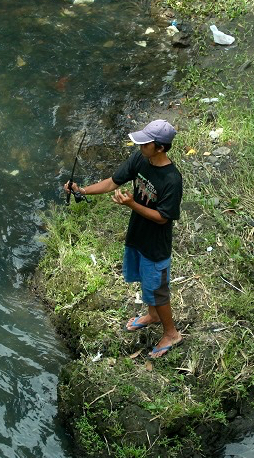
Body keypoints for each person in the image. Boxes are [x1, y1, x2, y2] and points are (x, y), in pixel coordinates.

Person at [65, 119, 184, 358]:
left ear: (160, 147)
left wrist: (131, 204)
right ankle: (151, 315)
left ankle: (171, 333)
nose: (139, 146)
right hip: (137, 235)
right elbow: (113, 181)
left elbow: (163, 218)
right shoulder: (141, 159)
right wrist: (82, 190)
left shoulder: (172, 179)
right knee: (144, 279)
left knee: (158, 288)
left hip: (156, 245)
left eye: (145, 143)